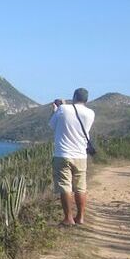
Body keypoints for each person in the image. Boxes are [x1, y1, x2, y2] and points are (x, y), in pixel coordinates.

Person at [49, 87, 95, 225]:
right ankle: (80, 217)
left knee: (65, 186)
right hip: (81, 155)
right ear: (86, 99)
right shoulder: (90, 113)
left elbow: (52, 125)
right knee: (81, 187)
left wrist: (56, 110)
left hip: (63, 154)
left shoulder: (63, 109)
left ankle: (68, 218)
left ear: (74, 96)